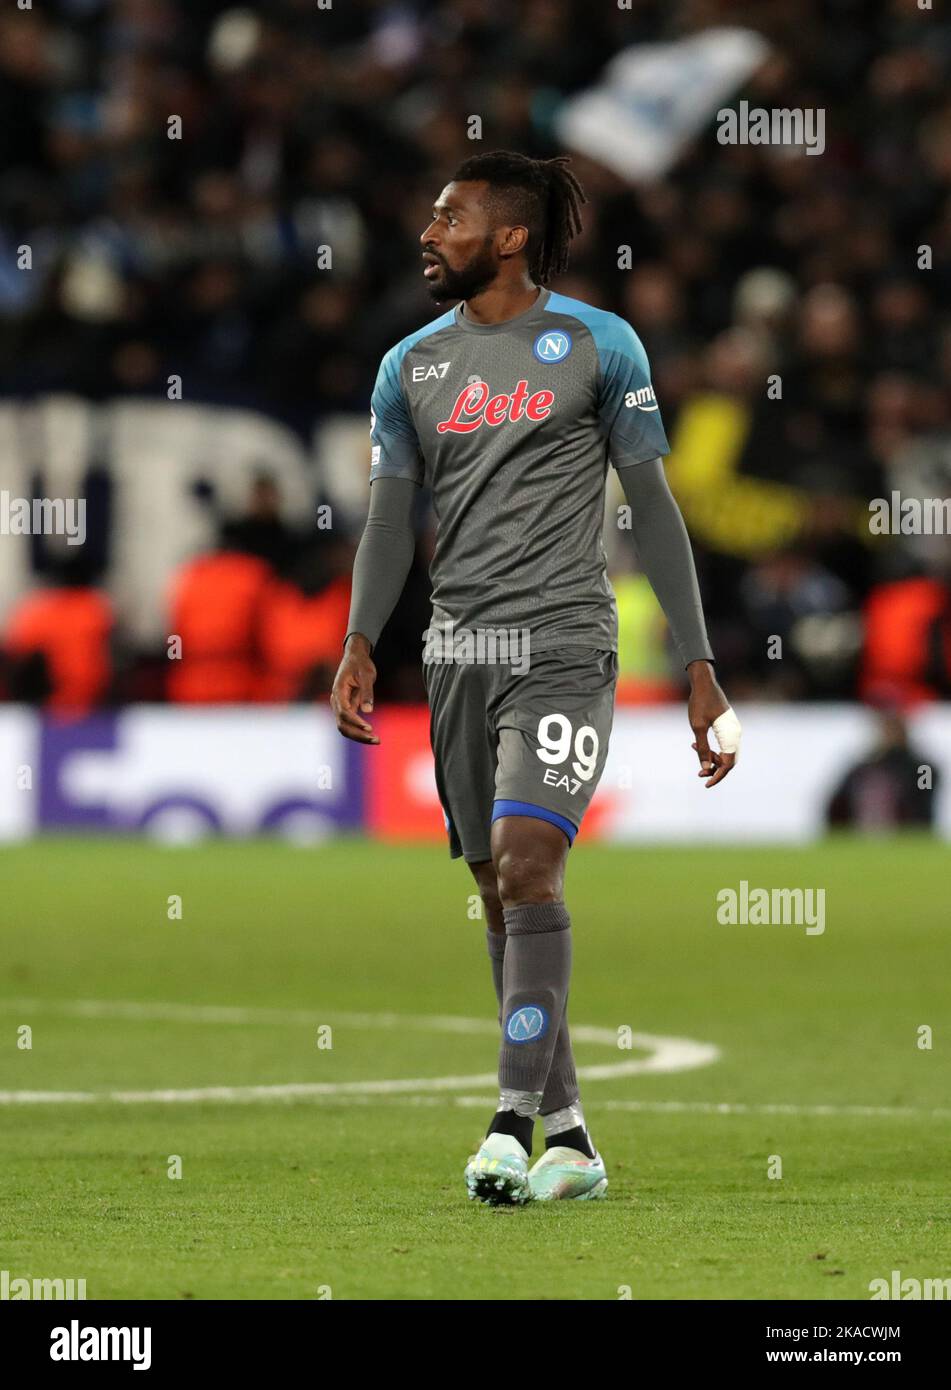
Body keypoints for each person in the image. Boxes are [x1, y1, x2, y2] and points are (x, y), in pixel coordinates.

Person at [330, 150, 741, 1205]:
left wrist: (698, 663)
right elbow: (390, 520)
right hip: (458, 651)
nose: (429, 232)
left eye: (450, 216)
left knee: (526, 866)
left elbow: (653, 508)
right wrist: (363, 640)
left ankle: (507, 1121)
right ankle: (572, 1136)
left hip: (562, 640)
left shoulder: (600, 345)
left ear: (509, 237)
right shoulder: (408, 365)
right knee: (497, 896)